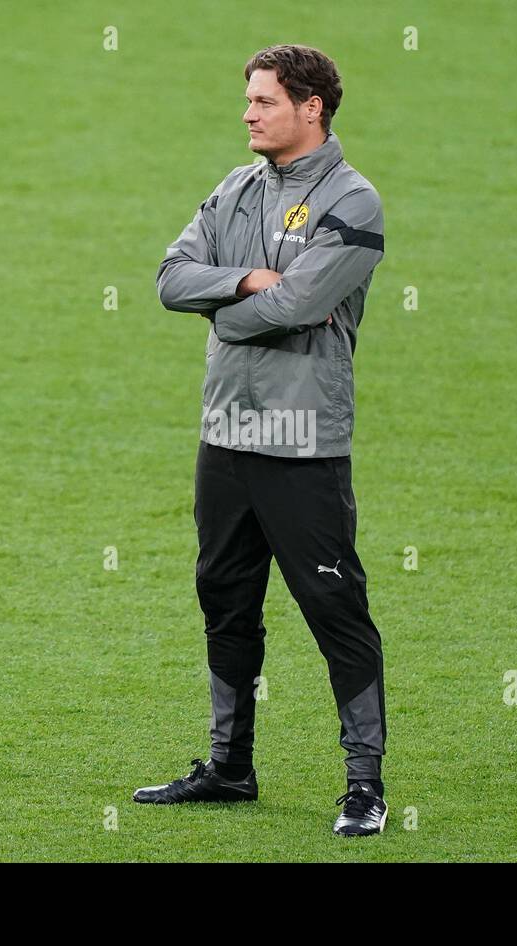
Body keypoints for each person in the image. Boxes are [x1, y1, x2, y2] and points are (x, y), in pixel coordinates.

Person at [136, 44, 389, 836]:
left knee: (334, 606)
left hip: (303, 443)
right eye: (248, 101)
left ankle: (364, 787)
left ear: (311, 106)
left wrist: (225, 312)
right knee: (224, 599)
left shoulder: (354, 202)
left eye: (264, 102)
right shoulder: (236, 188)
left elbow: (302, 306)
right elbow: (171, 277)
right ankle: (230, 766)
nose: (248, 114)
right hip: (226, 438)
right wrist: (243, 283)